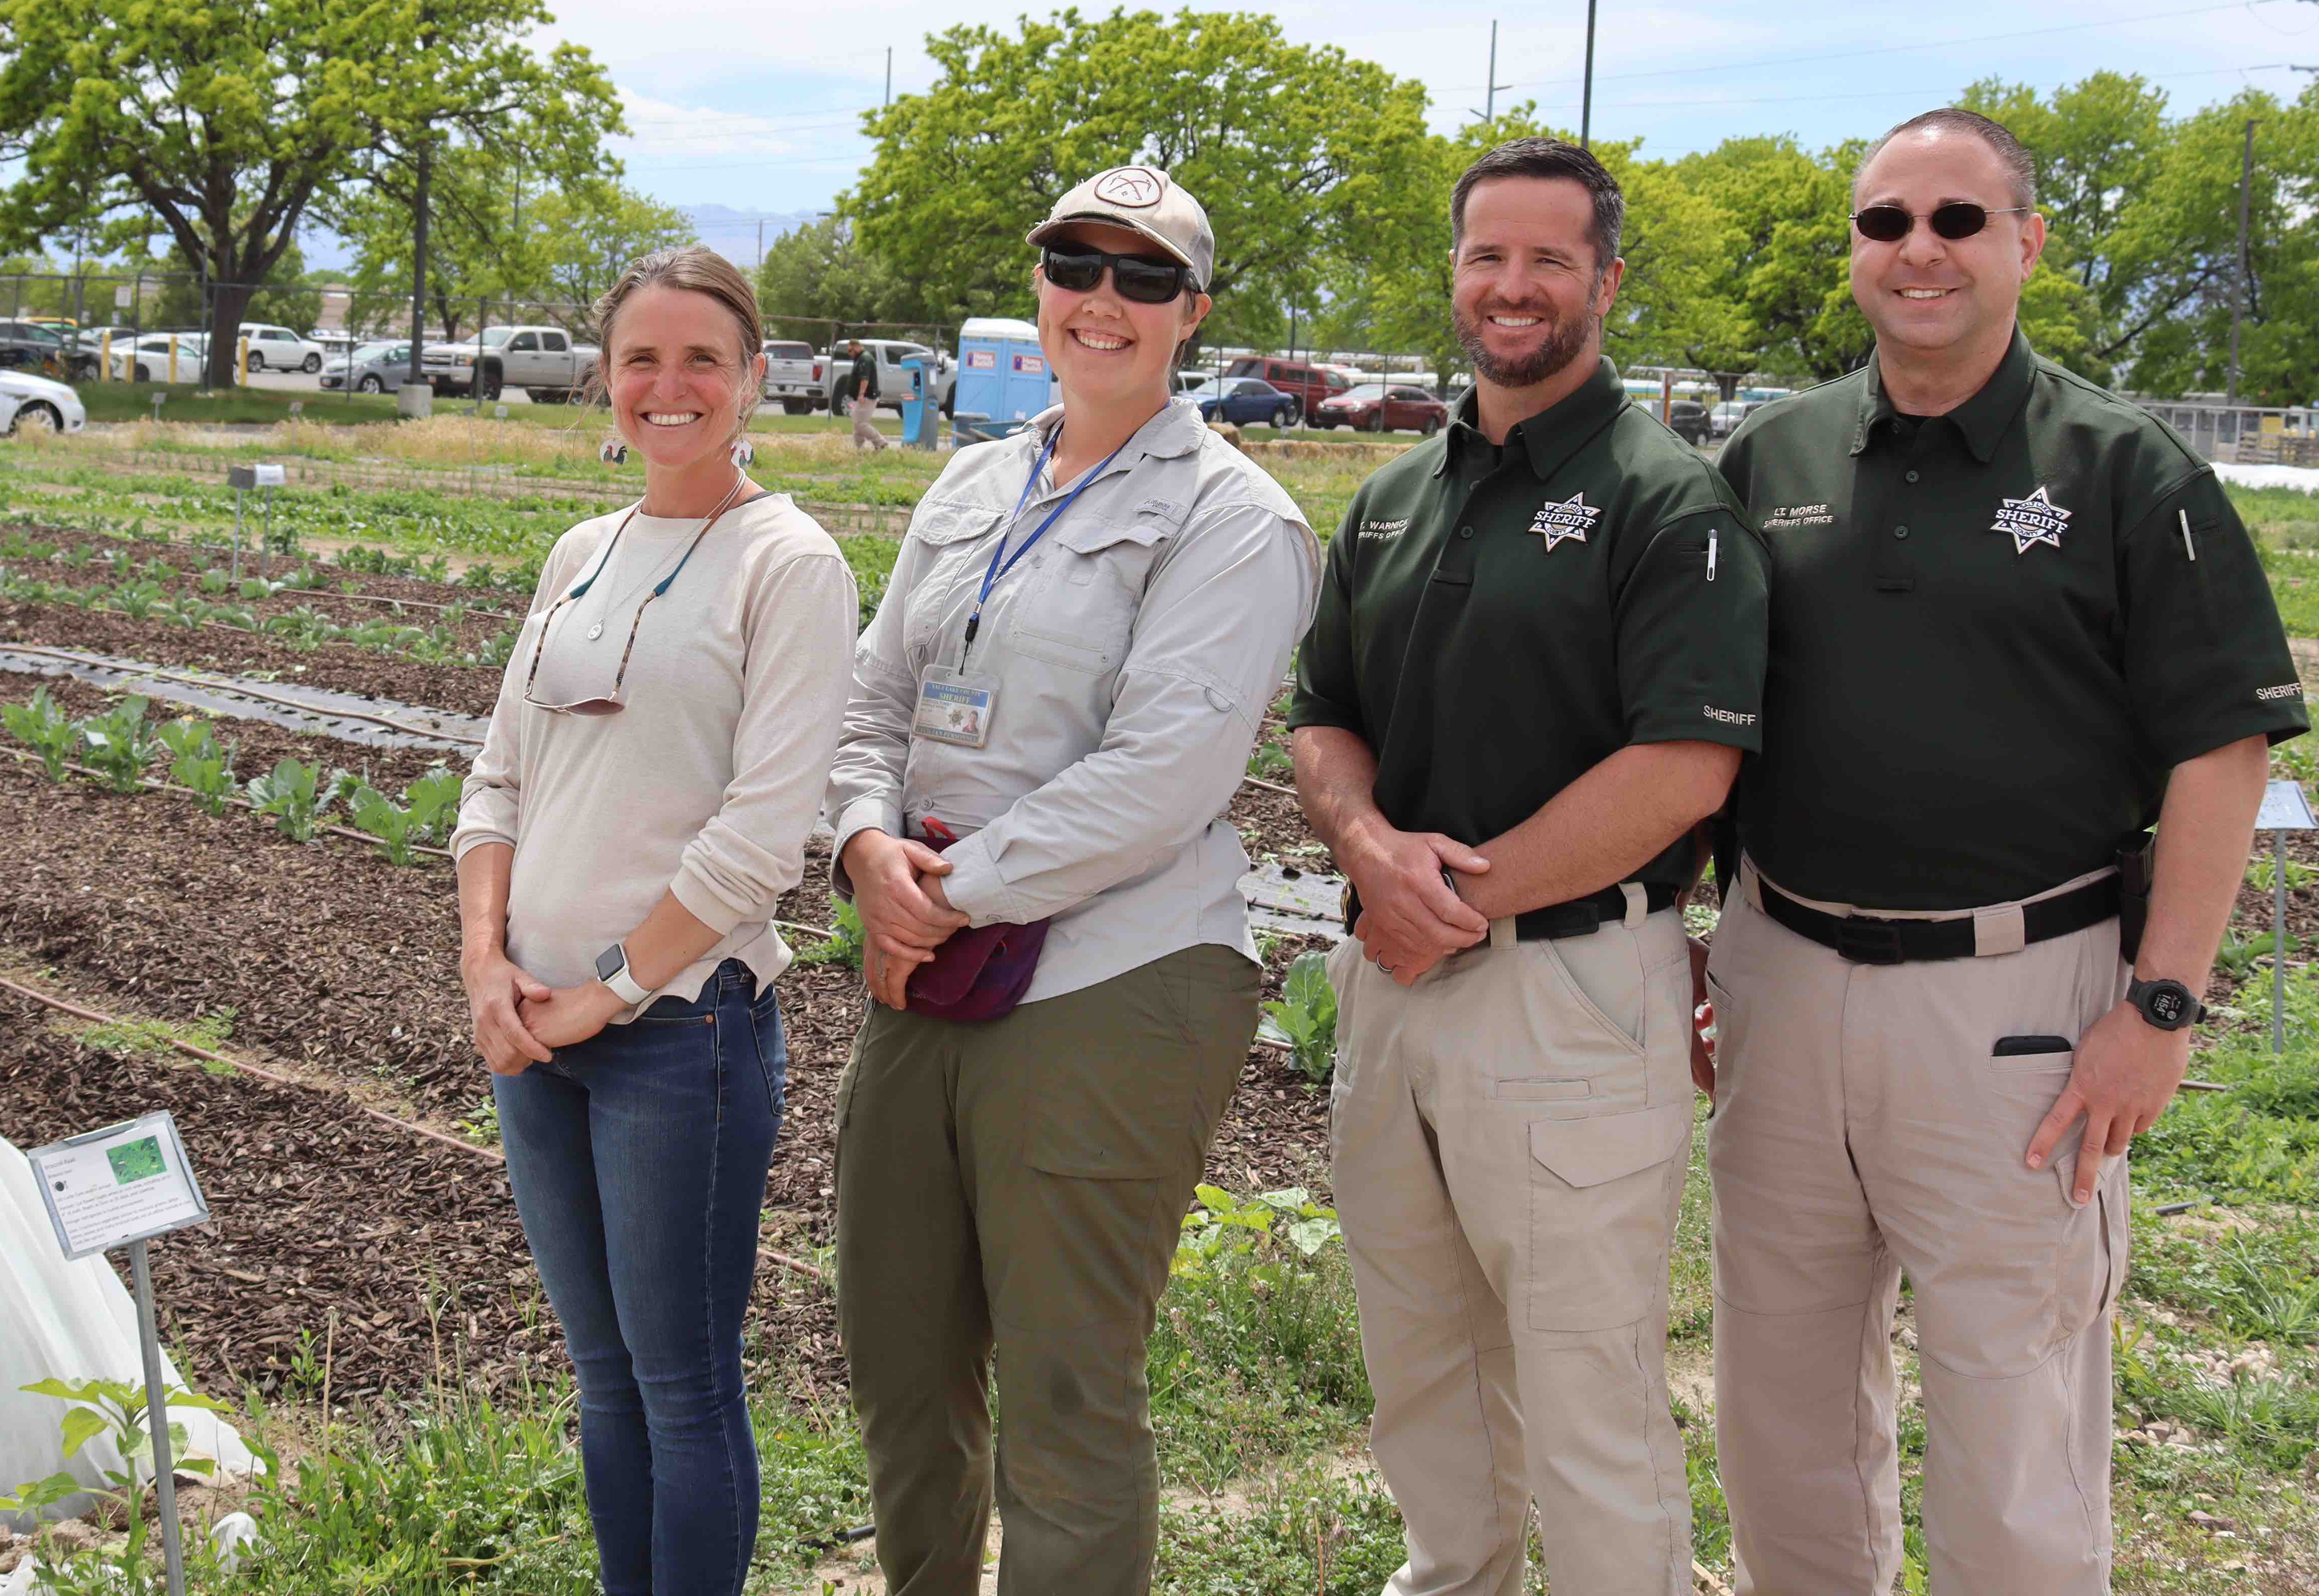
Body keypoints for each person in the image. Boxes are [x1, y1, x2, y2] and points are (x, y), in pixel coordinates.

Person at [1706, 107, 2306, 1594]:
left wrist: (2158, 1008)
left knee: (2009, 1423)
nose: (1916, 249)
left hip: (2015, 1001)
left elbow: (2218, 750)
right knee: (1775, 1402)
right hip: (1779, 970)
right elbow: (1698, 727)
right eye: (1883, 221)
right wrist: (1693, 944)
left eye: (1956, 220)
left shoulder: (2119, 469)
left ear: (2027, 243)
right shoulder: (1764, 459)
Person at [826, 164, 1318, 1595]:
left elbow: (1168, 775)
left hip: (1112, 974)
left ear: (1191, 316)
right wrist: (866, 849)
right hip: (927, 958)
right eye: (1076, 266)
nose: (1104, 300)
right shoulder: (973, 481)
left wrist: (941, 892)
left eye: (1144, 278)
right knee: (902, 1361)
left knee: (1063, 1392)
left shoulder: (1232, 518)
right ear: (1041, 290)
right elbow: (873, 703)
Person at [1288, 136, 1768, 1595]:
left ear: (1605, 281)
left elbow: (1686, 765)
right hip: (1395, 982)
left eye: (1549, 258)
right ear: (1456, 275)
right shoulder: (1393, 494)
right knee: (1423, 1363)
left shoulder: (1665, 499)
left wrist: (1454, 901)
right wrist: (1374, 856)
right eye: (1488, 255)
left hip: (1569, 989)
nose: (1513, 285)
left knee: (1583, 1389)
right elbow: (1323, 722)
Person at [453, 248, 859, 1596]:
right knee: (603, 1376)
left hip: (679, 1037)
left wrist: (606, 994)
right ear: (605, 381)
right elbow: (498, 773)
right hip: (538, 1023)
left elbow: (762, 836)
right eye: (642, 359)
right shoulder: (587, 550)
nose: (669, 387)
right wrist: (489, 969)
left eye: (702, 361)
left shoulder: (788, 564)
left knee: (683, 1384)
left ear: (755, 381)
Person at [844, 339, 889, 450]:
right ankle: (859, 449)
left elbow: (865, 380)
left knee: (860, 423)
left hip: (867, 397)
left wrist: (861, 394)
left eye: (850, 350)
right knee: (857, 423)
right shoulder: (860, 358)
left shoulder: (865, 359)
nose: (850, 354)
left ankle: (881, 443)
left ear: (856, 347)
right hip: (864, 397)